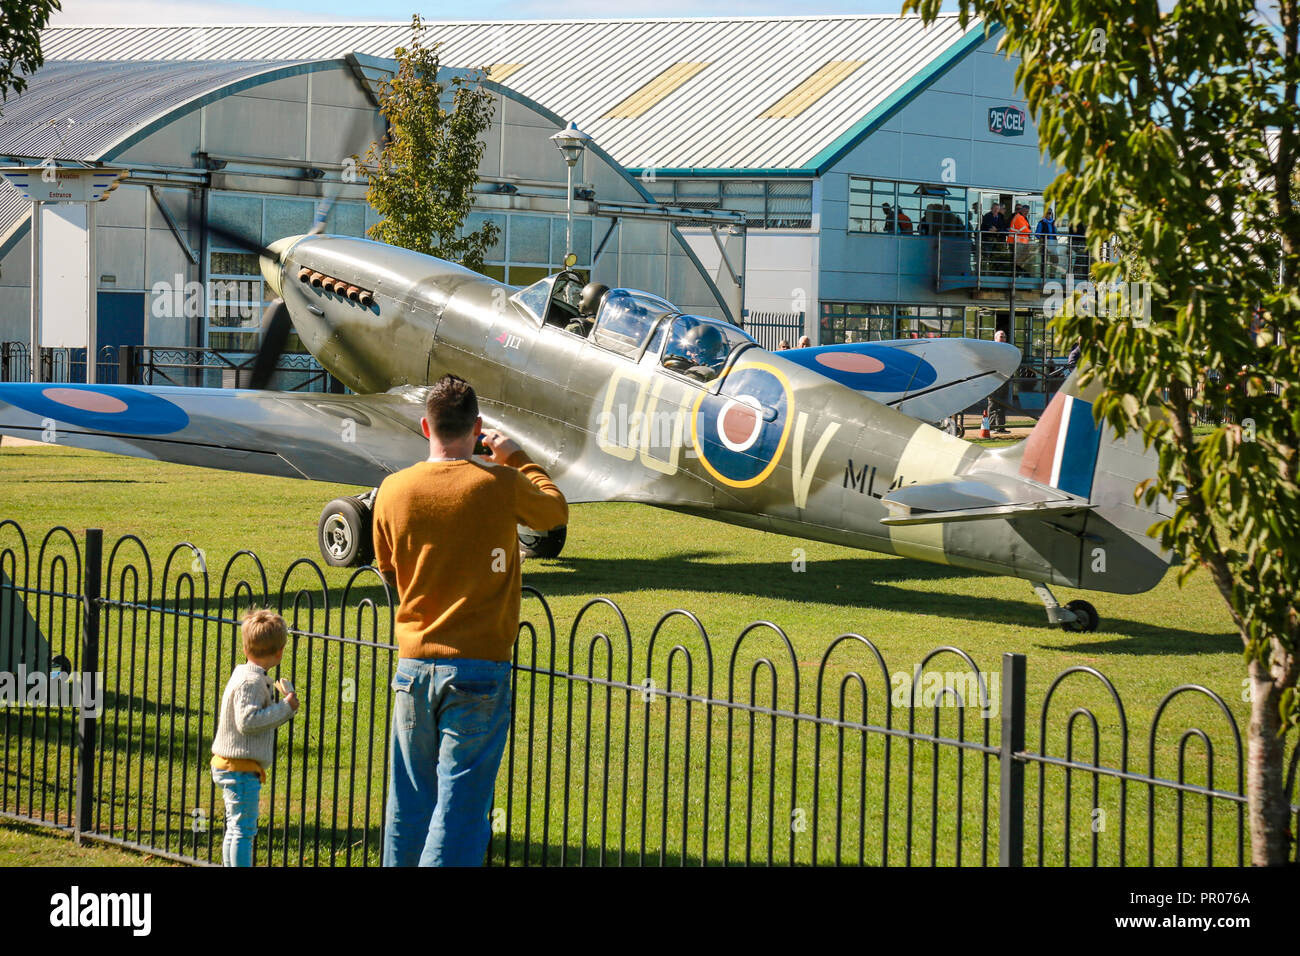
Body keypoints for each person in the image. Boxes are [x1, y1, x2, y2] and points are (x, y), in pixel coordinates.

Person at [375, 374, 568, 867]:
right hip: (479, 665)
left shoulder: (393, 491)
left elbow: (389, 569)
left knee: (409, 802)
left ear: (425, 427)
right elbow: (553, 511)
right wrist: (517, 456)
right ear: (478, 427)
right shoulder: (499, 484)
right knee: (460, 808)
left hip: (413, 664)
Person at [210, 608, 299, 867]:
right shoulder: (250, 682)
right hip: (240, 769)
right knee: (243, 831)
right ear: (280, 651)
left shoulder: (246, 674)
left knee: (235, 828)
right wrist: (285, 708)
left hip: (233, 766)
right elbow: (247, 722)